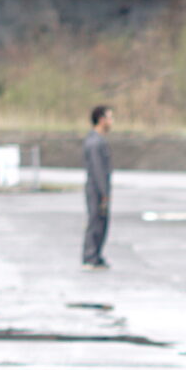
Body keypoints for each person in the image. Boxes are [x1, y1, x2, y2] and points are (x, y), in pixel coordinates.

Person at [82, 105, 113, 270]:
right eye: (109, 117)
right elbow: (98, 169)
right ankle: (90, 257)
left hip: (98, 189)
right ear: (101, 120)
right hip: (96, 189)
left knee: (101, 223)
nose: (111, 121)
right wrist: (104, 193)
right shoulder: (95, 142)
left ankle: (96, 255)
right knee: (95, 221)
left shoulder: (98, 140)